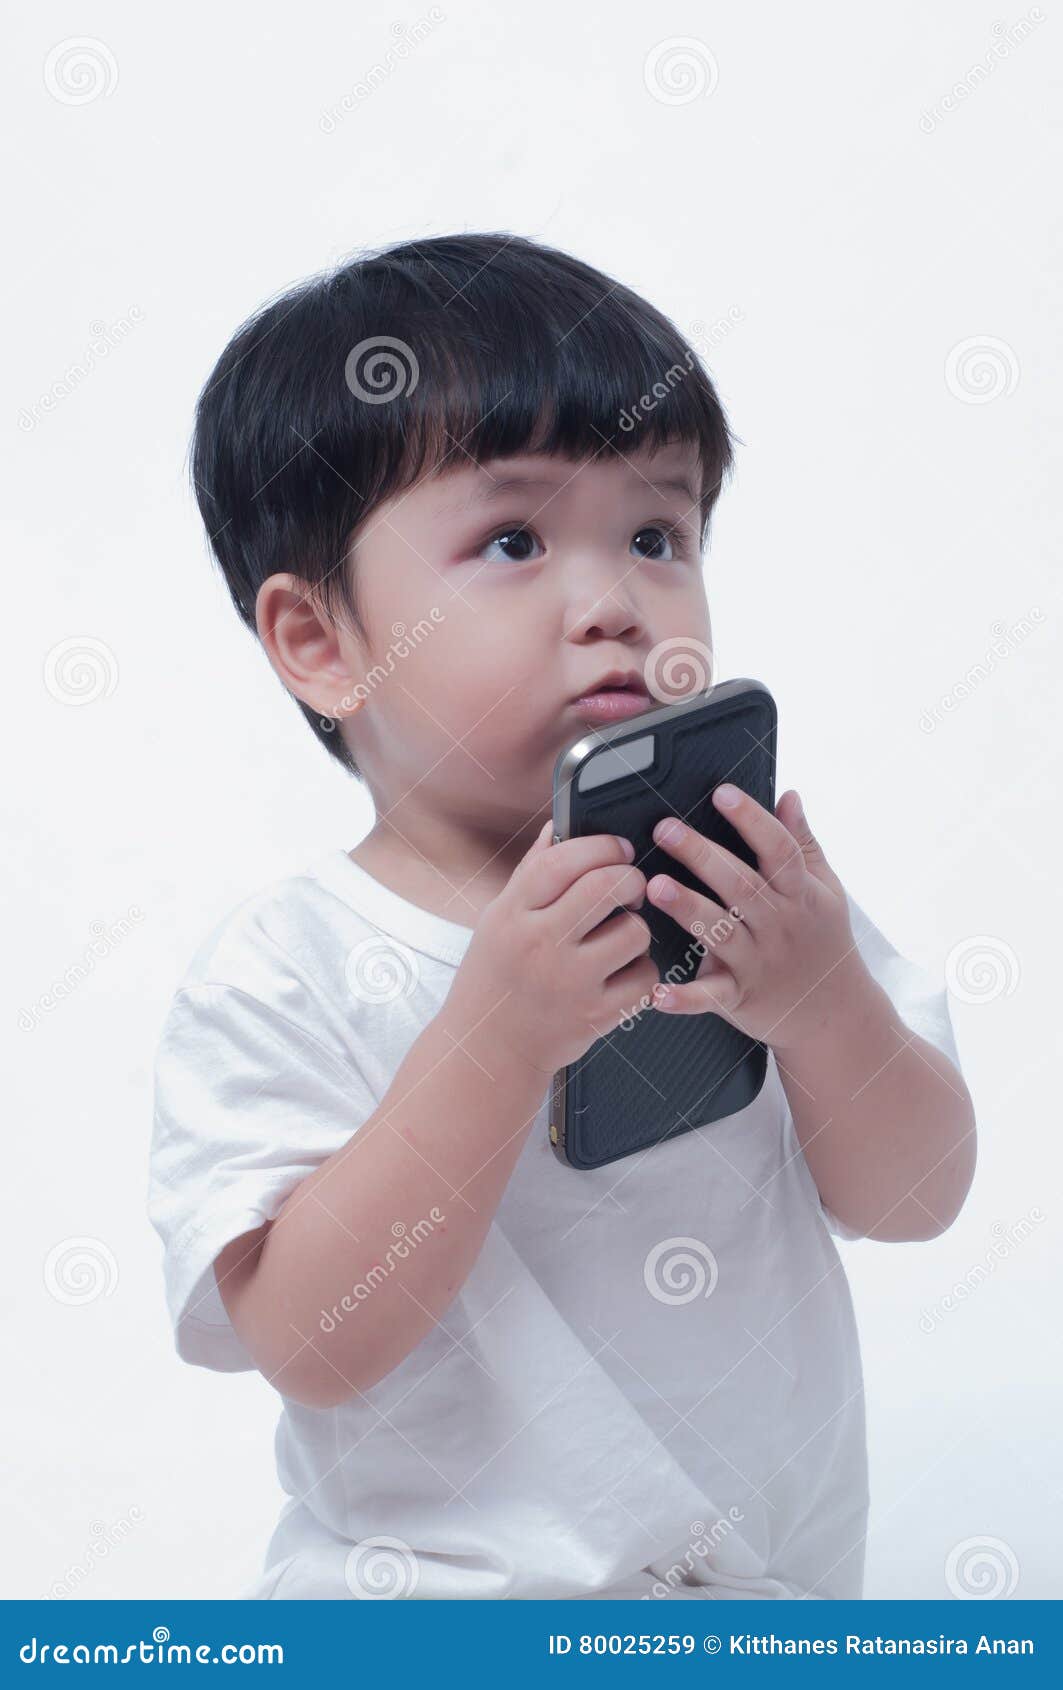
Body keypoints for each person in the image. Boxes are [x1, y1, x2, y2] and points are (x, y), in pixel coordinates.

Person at [147, 232, 976, 1601]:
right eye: (513, 539)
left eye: (657, 533)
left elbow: (914, 1195)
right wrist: (491, 1038)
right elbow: (313, 1339)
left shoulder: (754, 886)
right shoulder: (286, 969)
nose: (610, 602)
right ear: (323, 641)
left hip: (766, 1608)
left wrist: (825, 1001)